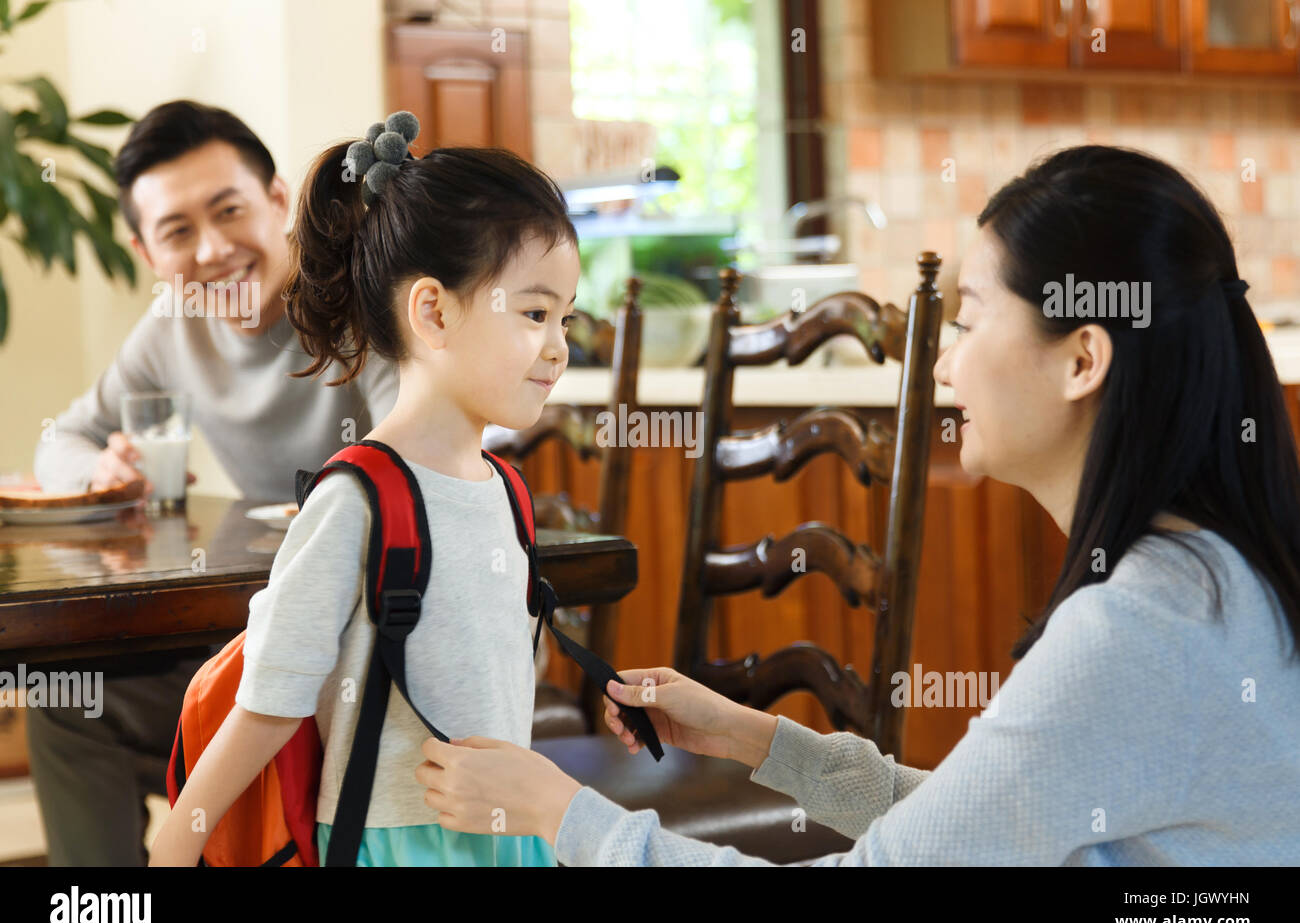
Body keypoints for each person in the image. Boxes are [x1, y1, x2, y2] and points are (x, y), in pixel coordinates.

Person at [415, 145, 1300, 865]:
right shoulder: (1208, 578)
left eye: (970, 319)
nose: (945, 365)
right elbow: (975, 827)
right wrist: (763, 742)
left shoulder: (1135, 631)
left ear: (1081, 359)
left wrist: (561, 811)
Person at [148, 117, 578, 867]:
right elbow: (269, 699)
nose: (559, 347)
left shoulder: (506, 489)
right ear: (434, 312)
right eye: (536, 314)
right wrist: (174, 850)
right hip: (394, 848)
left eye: (566, 318)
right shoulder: (356, 501)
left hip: (511, 838)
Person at [26, 100, 399, 866]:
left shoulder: (363, 293)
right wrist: (103, 468)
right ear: (144, 250)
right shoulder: (171, 328)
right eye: (177, 232)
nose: (214, 249)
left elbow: (423, 464)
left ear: (275, 198)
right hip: (256, 637)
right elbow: (61, 436)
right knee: (69, 704)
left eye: (229, 210)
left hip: (372, 655)